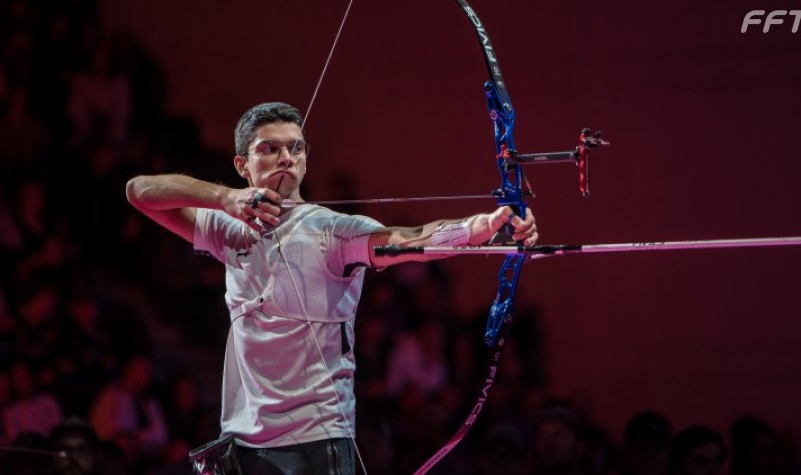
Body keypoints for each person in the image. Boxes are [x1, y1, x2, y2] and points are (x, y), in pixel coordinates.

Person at [125, 101, 538, 474]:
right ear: (241, 165)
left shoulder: (332, 231)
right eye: (270, 148)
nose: (287, 157)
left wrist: (480, 228)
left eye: (296, 148)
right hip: (243, 444)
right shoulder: (226, 227)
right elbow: (139, 192)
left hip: (316, 442)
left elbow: (410, 239)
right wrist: (225, 198)